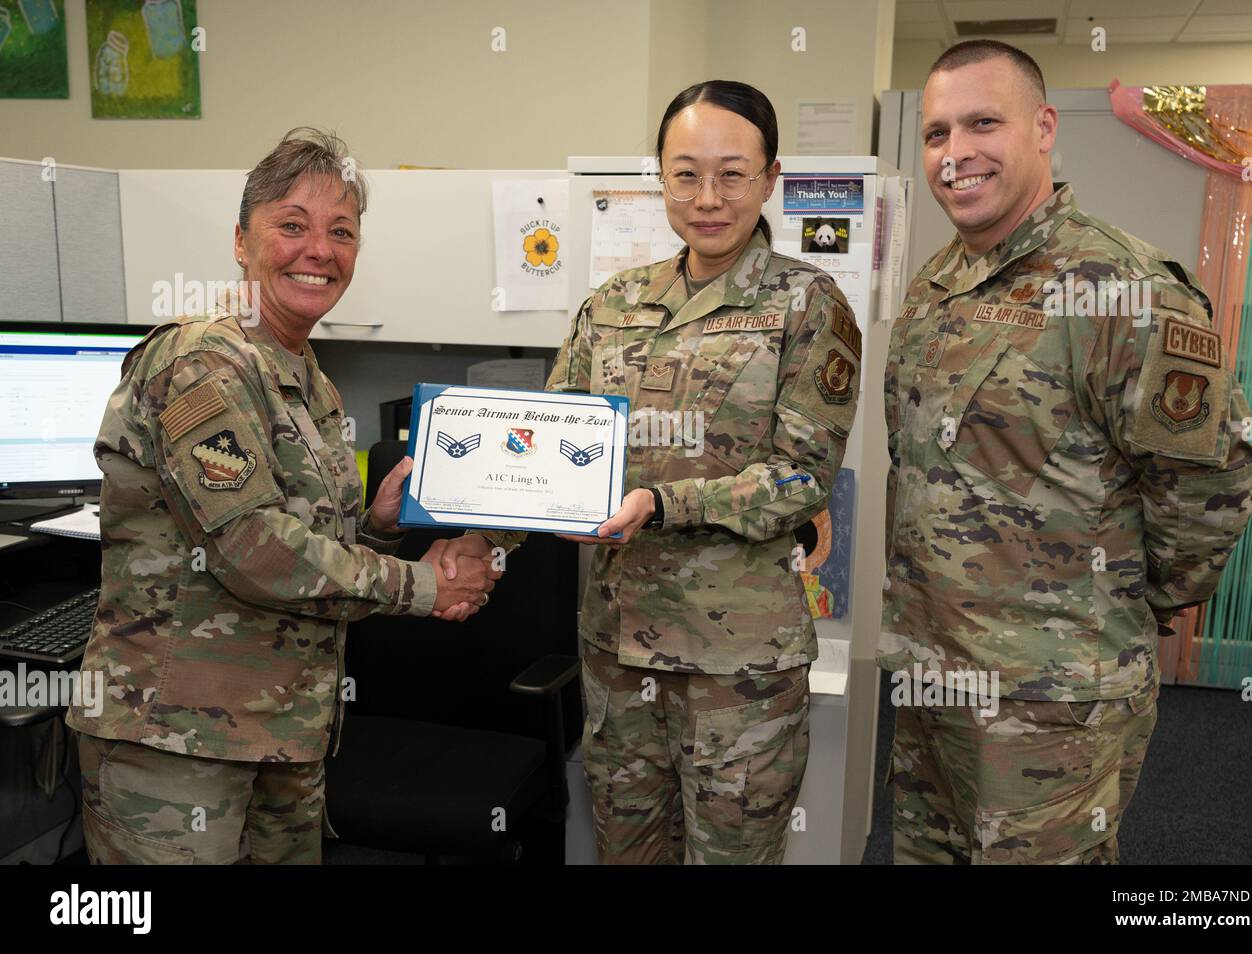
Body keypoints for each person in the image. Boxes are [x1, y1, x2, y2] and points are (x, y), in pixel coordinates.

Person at [435, 81, 860, 864]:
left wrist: (662, 503)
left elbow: (802, 478)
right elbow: (550, 448)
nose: (707, 197)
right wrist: (478, 539)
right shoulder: (613, 304)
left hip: (741, 671)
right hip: (618, 656)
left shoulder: (809, 306)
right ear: (659, 178)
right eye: (685, 173)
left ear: (769, 179)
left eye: (732, 174)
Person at [66, 128, 500, 865]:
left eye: (341, 232)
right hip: (177, 745)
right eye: (291, 225)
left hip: (281, 735)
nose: (318, 250)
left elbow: (299, 534)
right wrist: (425, 585)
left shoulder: (302, 373)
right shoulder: (202, 360)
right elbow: (254, 550)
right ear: (242, 241)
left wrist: (377, 526)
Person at [880, 41, 1252, 864]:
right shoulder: (937, 282)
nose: (956, 153)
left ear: (1044, 128)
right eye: (938, 132)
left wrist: (1125, 608)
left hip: (1052, 701)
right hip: (931, 678)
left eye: (984, 123)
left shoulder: (1125, 288)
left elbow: (1210, 490)